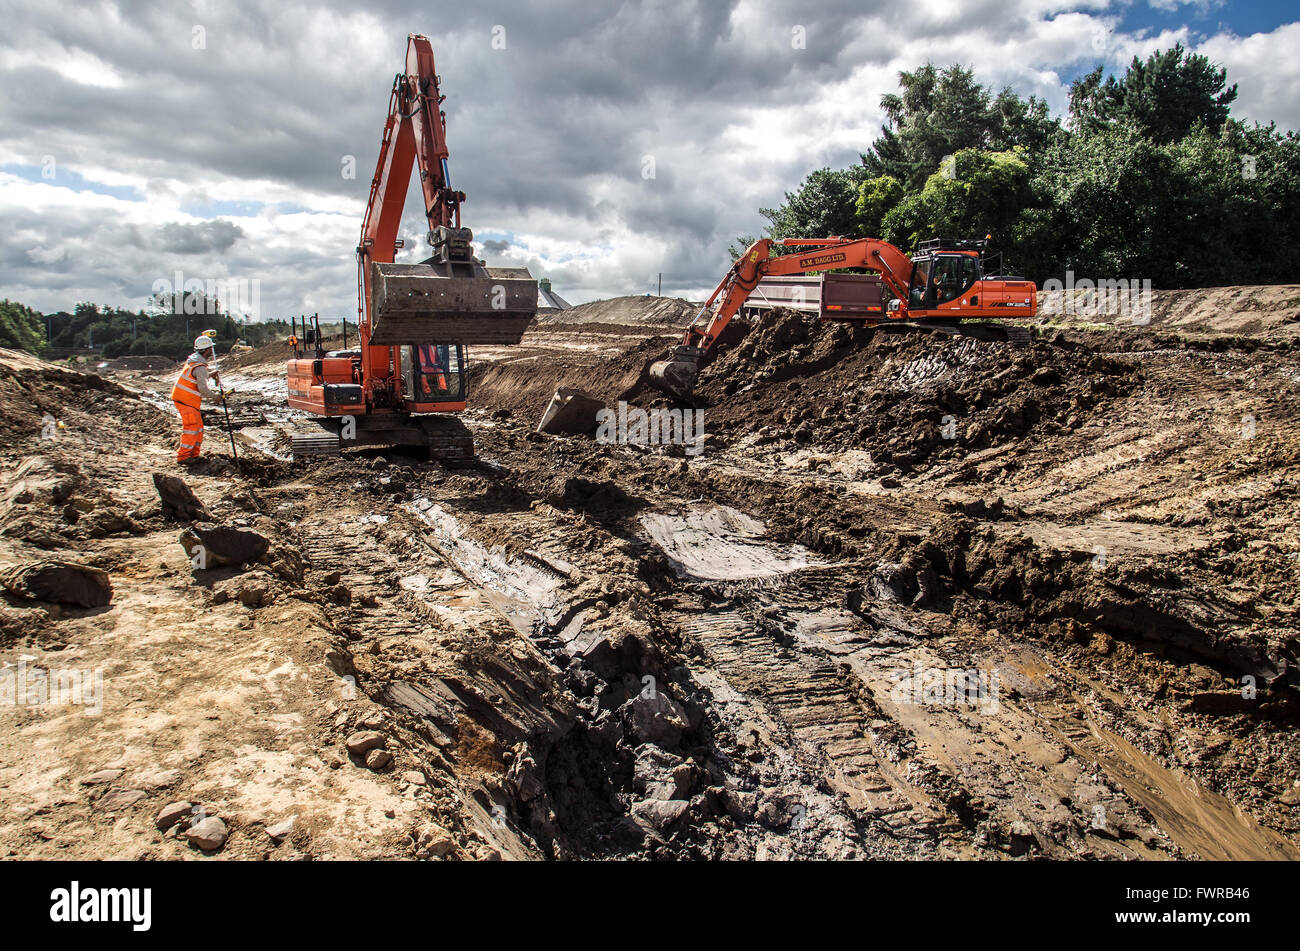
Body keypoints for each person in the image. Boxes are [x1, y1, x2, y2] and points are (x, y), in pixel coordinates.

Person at [171, 335, 228, 464]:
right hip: (186, 401)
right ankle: (184, 457)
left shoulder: (194, 362)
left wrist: (211, 374)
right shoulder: (200, 366)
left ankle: (194, 454)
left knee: (199, 427)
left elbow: (199, 376)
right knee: (192, 428)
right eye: (210, 349)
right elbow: (202, 388)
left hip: (186, 400)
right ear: (207, 350)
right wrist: (215, 397)